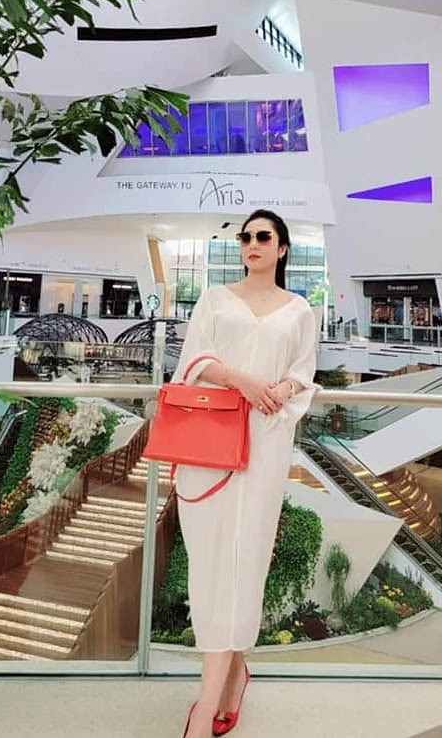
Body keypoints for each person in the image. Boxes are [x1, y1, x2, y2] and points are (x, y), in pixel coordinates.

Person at [173, 209, 317, 738]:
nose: (252, 243)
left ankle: (208, 701)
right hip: (210, 441)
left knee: (248, 558)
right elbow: (194, 361)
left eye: (263, 236)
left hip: (265, 442)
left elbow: (303, 372)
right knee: (210, 559)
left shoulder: (299, 310)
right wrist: (242, 379)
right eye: (246, 237)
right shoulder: (215, 299)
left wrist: (282, 388)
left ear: (282, 248)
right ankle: (230, 677)